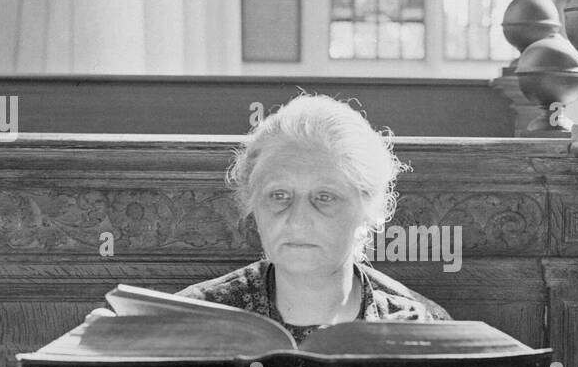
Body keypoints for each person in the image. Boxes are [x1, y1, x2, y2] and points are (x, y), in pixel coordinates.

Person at [176, 94, 451, 343]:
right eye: (279, 195)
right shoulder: (189, 321)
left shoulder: (423, 328)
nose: (298, 220)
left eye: (325, 197)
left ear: (368, 208)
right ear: (253, 205)